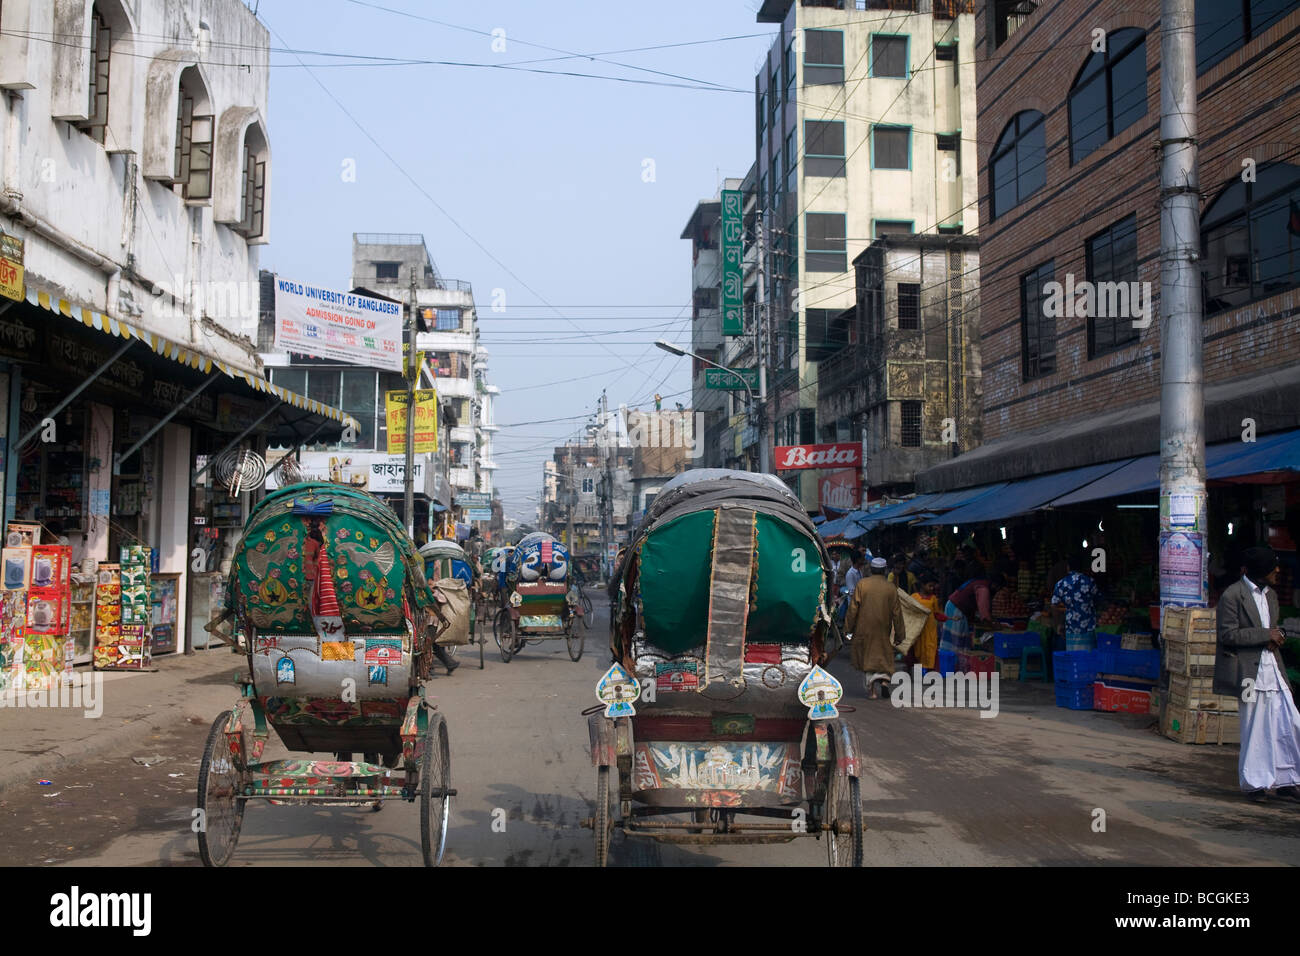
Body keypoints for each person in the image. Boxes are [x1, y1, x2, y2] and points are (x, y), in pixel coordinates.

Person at [1214, 546, 1300, 802]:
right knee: (1255, 729)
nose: (1277, 571)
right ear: (1260, 571)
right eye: (1272, 567)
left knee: (1288, 723)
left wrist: (1277, 635)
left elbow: (1272, 629)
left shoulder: (1271, 595)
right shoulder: (1232, 595)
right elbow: (1227, 635)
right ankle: (1255, 785)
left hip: (1273, 669)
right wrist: (1266, 636)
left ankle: (1287, 779)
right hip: (1248, 673)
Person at [845, 556, 906, 698]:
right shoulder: (891, 588)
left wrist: (848, 628)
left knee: (868, 657)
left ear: (871, 569)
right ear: (884, 570)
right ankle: (884, 681)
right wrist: (899, 635)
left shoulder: (862, 584)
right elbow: (897, 613)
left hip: (864, 627)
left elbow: (853, 609)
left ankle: (872, 691)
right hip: (883, 627)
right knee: (884, 655)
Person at [1051, 553, 1100, 651]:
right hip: (1088, 626)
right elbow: (1097, 601)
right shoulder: (1089, 581)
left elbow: (1054, 605)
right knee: (1088, 657)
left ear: (1068, 567)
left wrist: (1059, 624)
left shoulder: (1061, 583)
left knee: (1074, 658)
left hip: (1071, 626)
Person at [908, 574, 946, 671]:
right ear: (922, 585)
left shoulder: (933, 599)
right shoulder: (914, 597)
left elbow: (937, 614)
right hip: (918, 631)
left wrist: (948, 618)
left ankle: (930, 674)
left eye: (933, 586)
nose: (932, 588)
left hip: (930, 631)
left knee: (930, 650)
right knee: (917, 651)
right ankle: (915, 673)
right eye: (930, 586)